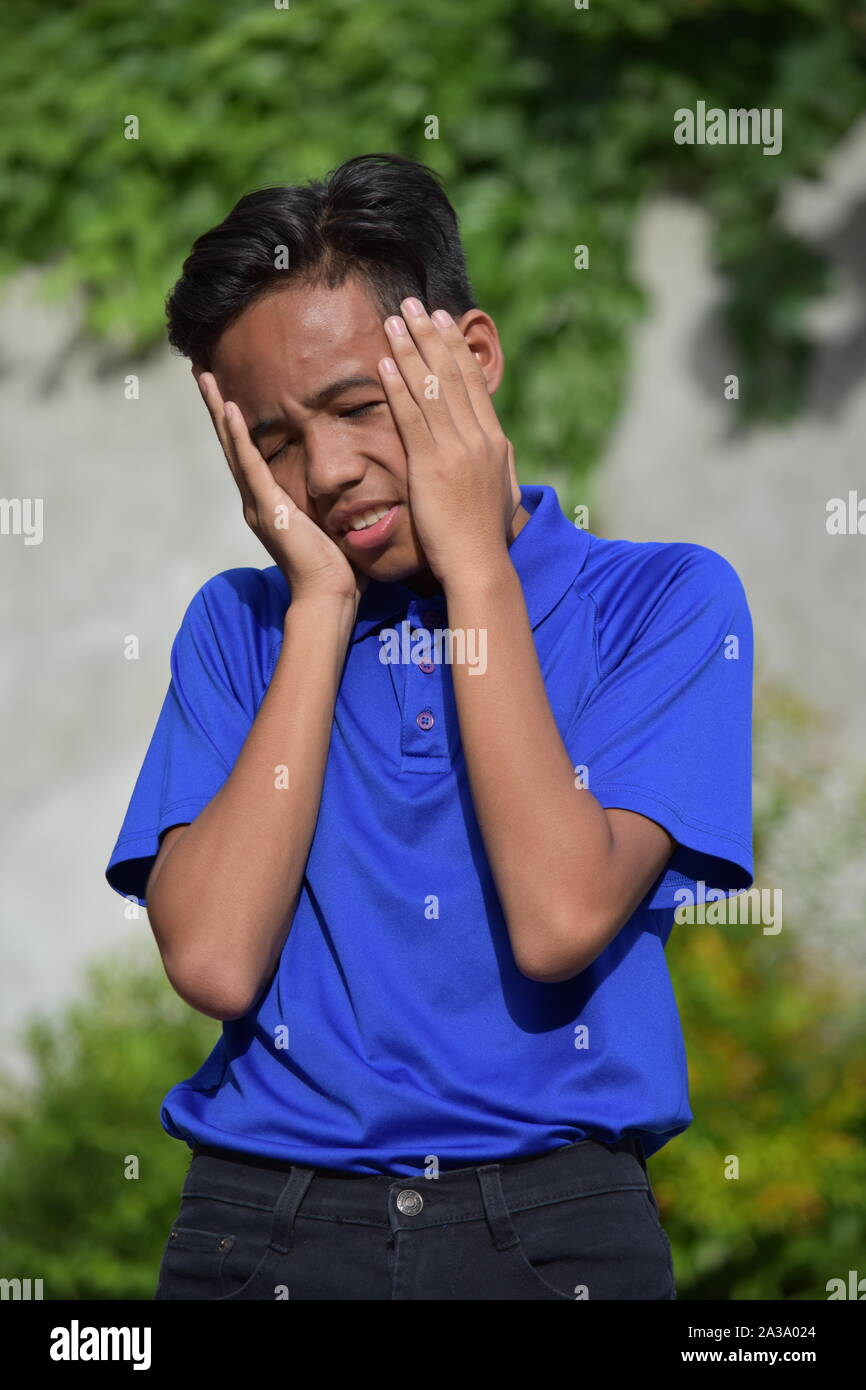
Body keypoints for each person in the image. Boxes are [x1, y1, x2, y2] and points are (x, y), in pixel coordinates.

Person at [105, 152, 753, 1301]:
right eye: (275, 442)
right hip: (263, 1220)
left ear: (472, 359)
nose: (331, 471)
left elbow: (559, 917)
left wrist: (471, 568)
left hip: (553, 1229)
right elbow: (211, 959)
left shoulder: (659, 602)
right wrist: (318, 607)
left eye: (359, 407)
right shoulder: (240, 628)